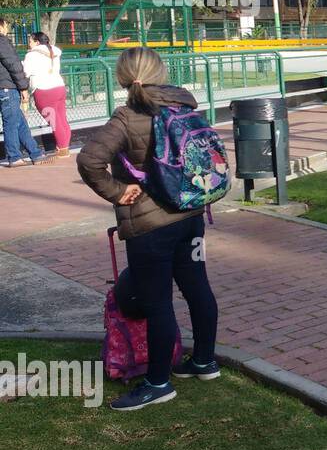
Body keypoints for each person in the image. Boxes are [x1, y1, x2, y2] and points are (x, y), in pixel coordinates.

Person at [75, 46, 221, 411]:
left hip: (149, 225)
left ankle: (158, 383)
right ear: (161, 72)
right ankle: (204, 361)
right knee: (197, 287)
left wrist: (118, 191)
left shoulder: (126, 118)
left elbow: (89, 160)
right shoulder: (184, 106)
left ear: (123, 78)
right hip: (189, 216)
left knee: (157, 302)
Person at [0, 20, 48, 167]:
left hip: (5, 87)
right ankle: (14, 156)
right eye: (6, 25)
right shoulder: (2, 42)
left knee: (19, 122)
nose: (7, 28)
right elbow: (14, 64)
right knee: (12, 123)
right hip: (7, 87)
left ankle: (35, 153)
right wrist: (23, 88)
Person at [23, 31, 71, 158]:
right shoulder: (54, 51)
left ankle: (63, 149)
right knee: (62, 119)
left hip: (43, 90)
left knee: (54, 121)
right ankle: (64, 146)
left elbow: (26, 72)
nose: (29, 44)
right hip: (59, 87)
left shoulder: (32, 55)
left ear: (37, 42)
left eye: (30, 41)